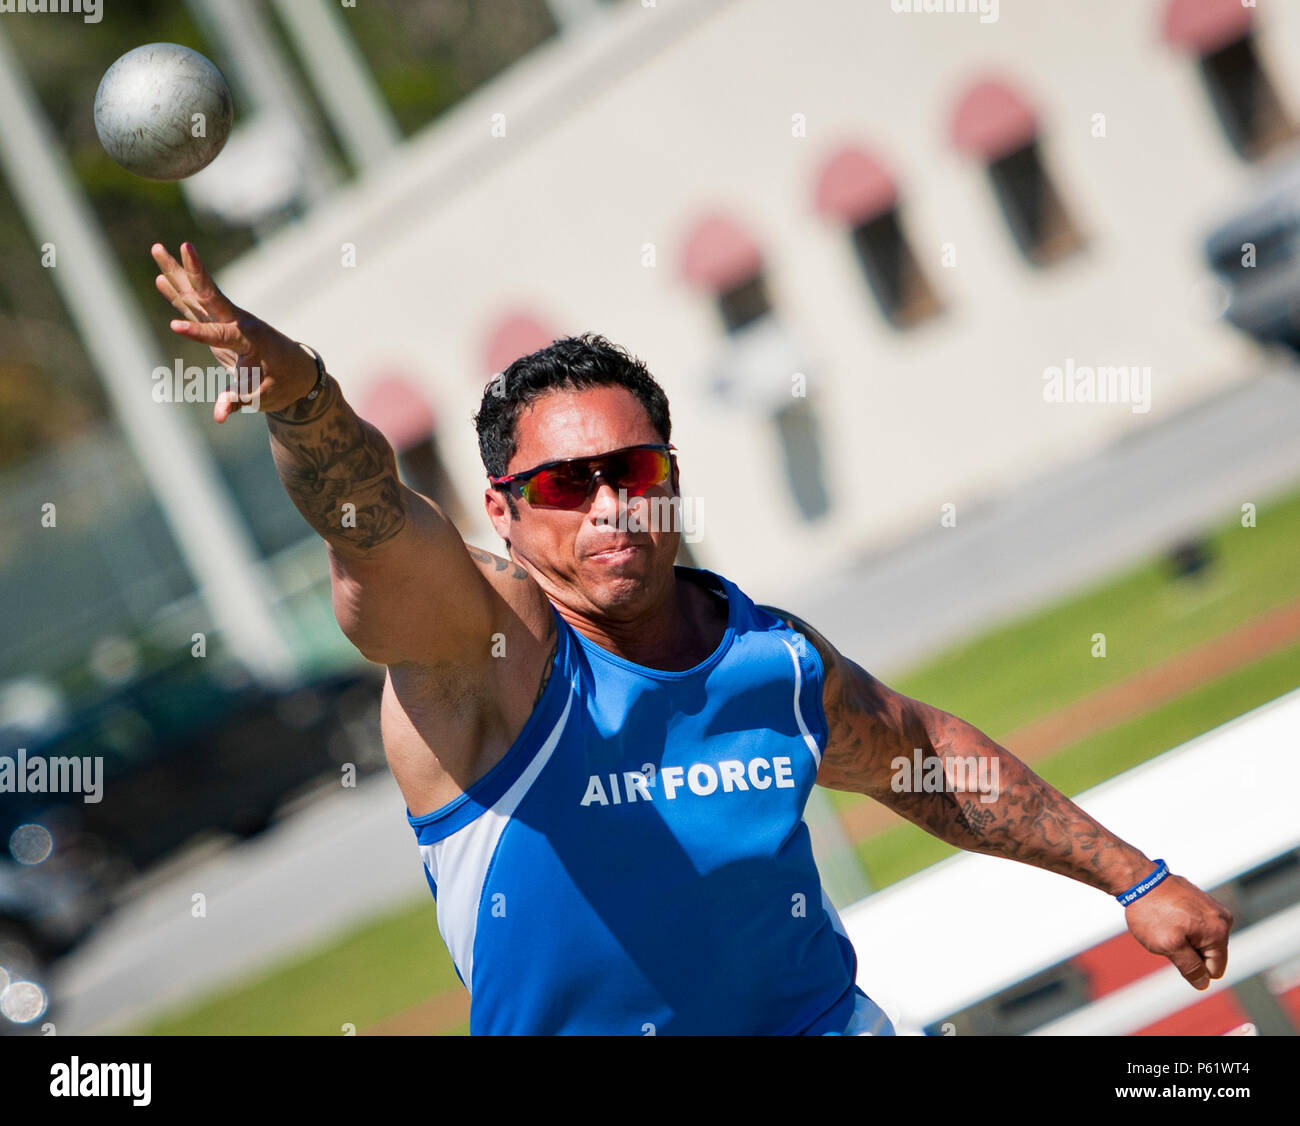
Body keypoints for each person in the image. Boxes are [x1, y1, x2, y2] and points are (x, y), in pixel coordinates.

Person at [151, 240, 1235, 1036]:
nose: (611, 505)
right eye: (565, 485)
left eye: (634, 471)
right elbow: (372, 520)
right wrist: (301, 394)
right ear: (504, 511)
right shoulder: (486, 657)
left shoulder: (769, 657)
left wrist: (1135, 880)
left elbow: (925, 758)